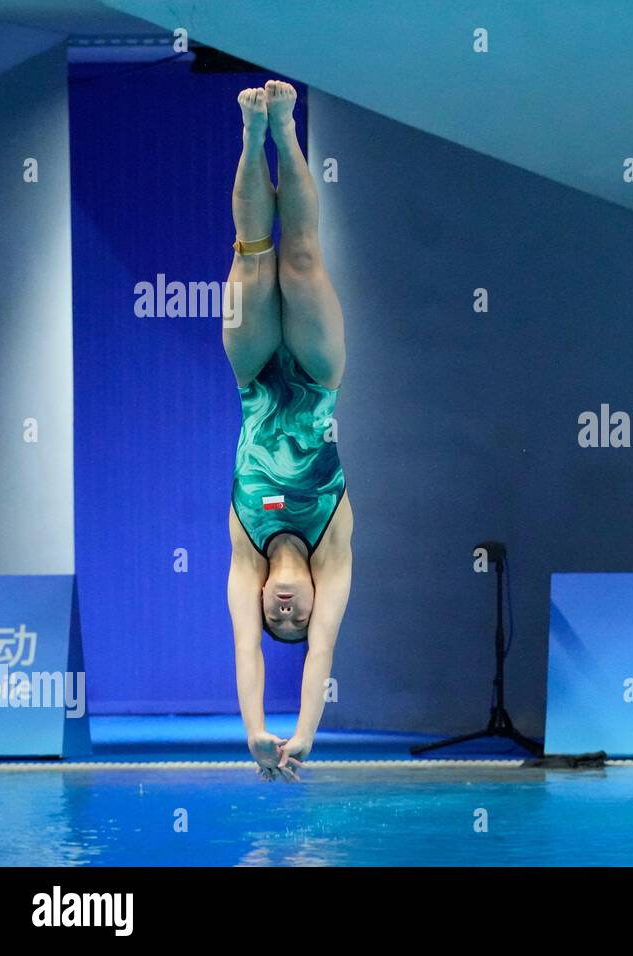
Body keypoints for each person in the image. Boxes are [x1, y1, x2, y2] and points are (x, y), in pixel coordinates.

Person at [223, 80, 353, 781]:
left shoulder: (246, 558)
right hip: (316, 371)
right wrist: (301, 734)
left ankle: (249, 137)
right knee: (300, 257)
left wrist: (254, 732)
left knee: (253, 256)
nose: (284, 615)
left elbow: (246, 650)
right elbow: (325, 650)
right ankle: (288, 128)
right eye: (294, 621)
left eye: (279, 620)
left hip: (253, 380)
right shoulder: (332, 551)